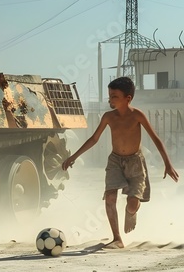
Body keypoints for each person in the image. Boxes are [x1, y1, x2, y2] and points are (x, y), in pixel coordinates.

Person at [62, 76, 179, 249]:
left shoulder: (137, 115)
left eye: (114, 96)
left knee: (132, 205)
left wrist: (167, 164)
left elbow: (156, 139)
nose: (110, 99)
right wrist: (74, 156)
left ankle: (131, 212)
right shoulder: (108, 117)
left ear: (127, 98)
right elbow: (94, 139)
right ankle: (117, 238)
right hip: (115, 161)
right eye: (109, 95)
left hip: (135, 162)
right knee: (110, 196)